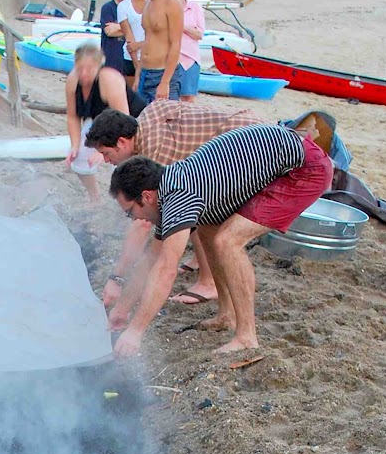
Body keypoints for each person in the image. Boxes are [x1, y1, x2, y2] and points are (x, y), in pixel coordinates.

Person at [107, 122, 334, 359]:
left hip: (304, 169)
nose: (133, 218)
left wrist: (135, 331)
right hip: (282, 156)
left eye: (130, 211)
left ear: (146, 196)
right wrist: (122, 309)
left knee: (228, 241)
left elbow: (166, 270)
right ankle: (227, 315)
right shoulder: (168, 188)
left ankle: (247, 337)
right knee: (207, 230)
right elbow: (151, 259)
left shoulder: (179, 196)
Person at [87, 100, 261, 304]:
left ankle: (208, 282)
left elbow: (143, 224)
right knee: (191, 203)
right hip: (242, 121)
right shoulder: (146, 119)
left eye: (106, 154)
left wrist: (117, 278)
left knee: (192, 213)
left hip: (248, 144)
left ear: (123, 142)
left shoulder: (157, 153)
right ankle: (200, 262)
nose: (106, 161)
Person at [64, 41, 138, 204]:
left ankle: (127, 201)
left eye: (89, 69)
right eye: (80, 68)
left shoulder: (109, 79)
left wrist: (101, 150)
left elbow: (125, 120)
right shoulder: (72, 80)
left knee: (120, 162)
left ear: (99, 66)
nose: (83, 74)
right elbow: (73, 116)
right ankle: (94, 197)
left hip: (130, 121)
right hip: (99, 120)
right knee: (78, 156)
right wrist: (75, 145)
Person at [126, 0, 184, 105]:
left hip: (162, 73)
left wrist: (165, 82)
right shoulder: (147, 3)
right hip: (145, 71)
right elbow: (148, 39)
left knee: (165, 124)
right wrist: (138, 73)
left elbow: (176, 44)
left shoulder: (171, 3)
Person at [164, 0, 204, 101]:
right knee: (170, 96)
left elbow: (199, 34)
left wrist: (183, 27)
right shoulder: (166, 8)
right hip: (170, 56)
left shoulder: (195, 8)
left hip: (190, 57)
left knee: (188, 96)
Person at [116, 0, 146, 90]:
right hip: (130, 56)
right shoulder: (123, 6)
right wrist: (137, 65)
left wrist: (139, 45)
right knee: (130, 95)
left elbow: (157, 37)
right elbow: (128, 36)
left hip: (151, 55)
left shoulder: (153, 4)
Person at [99, 0, 132, 79]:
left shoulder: (132, 8)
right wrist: (130, 29)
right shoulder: (108, 8)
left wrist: (118, 27)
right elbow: (109, 31)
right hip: (111, 57)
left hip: (128, 58)